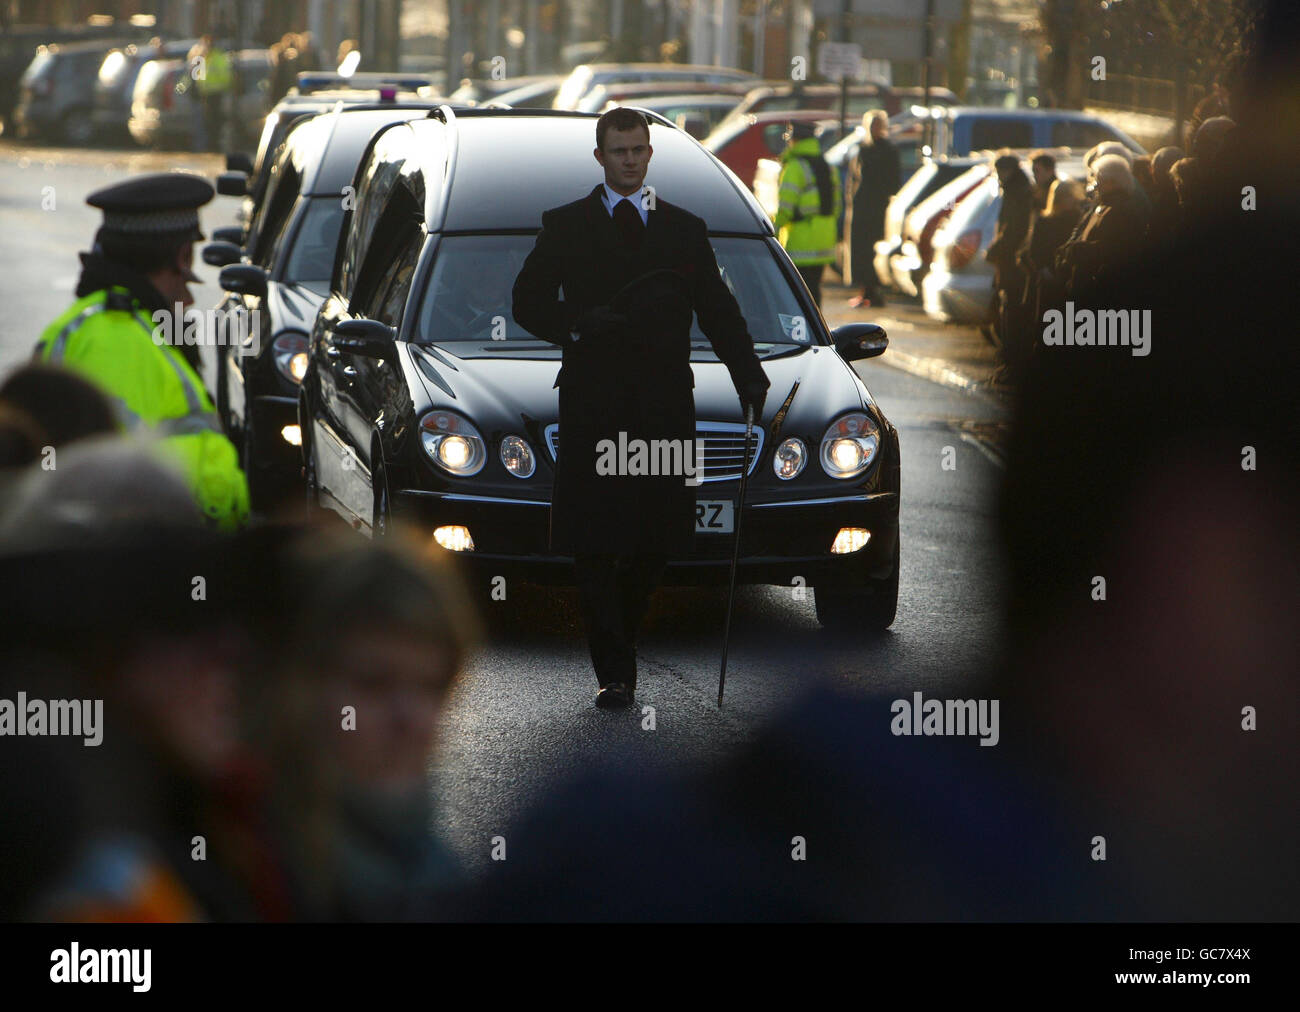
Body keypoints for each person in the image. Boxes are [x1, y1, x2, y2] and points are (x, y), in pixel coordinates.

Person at [512, 107, 770, 709]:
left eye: (639, 150)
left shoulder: (684, 230)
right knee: (595, 543)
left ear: (649, 155)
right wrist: (574, 324)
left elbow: (719, 311)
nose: (630, 159)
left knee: (655, 540)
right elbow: (525, 301)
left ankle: (622, 637)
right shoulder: (566, 225)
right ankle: (616, 669)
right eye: (619, 150)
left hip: (661, 408)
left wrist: (748, 378)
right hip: (593, 407)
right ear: (599, 157)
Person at [32, 174, 250, 530]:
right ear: (181, 256)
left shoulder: (122, 327)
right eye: (187, 274)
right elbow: (112, 496)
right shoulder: (116, 340)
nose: (190, 297)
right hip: (148, 565)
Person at [1054, 155, 1146, 297]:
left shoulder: (1122, 211)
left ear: (1112, 182)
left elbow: (1120, 249)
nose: (1096, 184)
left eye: (1099, 179)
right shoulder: (1103, 206)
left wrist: (1080, 249)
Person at [773, 120, 840, 310]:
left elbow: (786, 207)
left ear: (794, 140)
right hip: (824, 241)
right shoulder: (827, 165)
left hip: (800, 242)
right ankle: (818, 332)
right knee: (814, 291)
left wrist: (773, 231)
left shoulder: (794, 167)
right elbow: (837, 205)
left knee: (798, 295)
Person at [844, 111, 899, 309]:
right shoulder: (862, 149)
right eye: (872, 124)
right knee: (859, 251)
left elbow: (894, 181)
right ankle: (864, 291)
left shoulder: (889, 150)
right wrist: (850, 198)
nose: (875, 128)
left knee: (873, 250)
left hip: (877, 209)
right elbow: (852, 179)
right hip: (860, 207)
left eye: (878, 124)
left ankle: (873, 292)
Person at [983, 152, 1034, 352]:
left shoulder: (1017, 191)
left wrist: (996, 248)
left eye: (1000, 171)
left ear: (1008, 171)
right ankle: (1007, 350)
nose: (998, 175)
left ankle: (1010, 352)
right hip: (1009, 254)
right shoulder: (1017, 188)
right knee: (1003, 304)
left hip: (1012, 257)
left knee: (1009, 306)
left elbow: (1014, 228)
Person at [188, 35, 233, 153]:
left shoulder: (218, 57)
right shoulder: (202, 58)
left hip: (216, 94)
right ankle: (208, 146)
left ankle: (214, 145)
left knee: (214, 122)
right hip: (205, 95)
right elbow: (196, 76)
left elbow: (224, 77)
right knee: (207, 122)